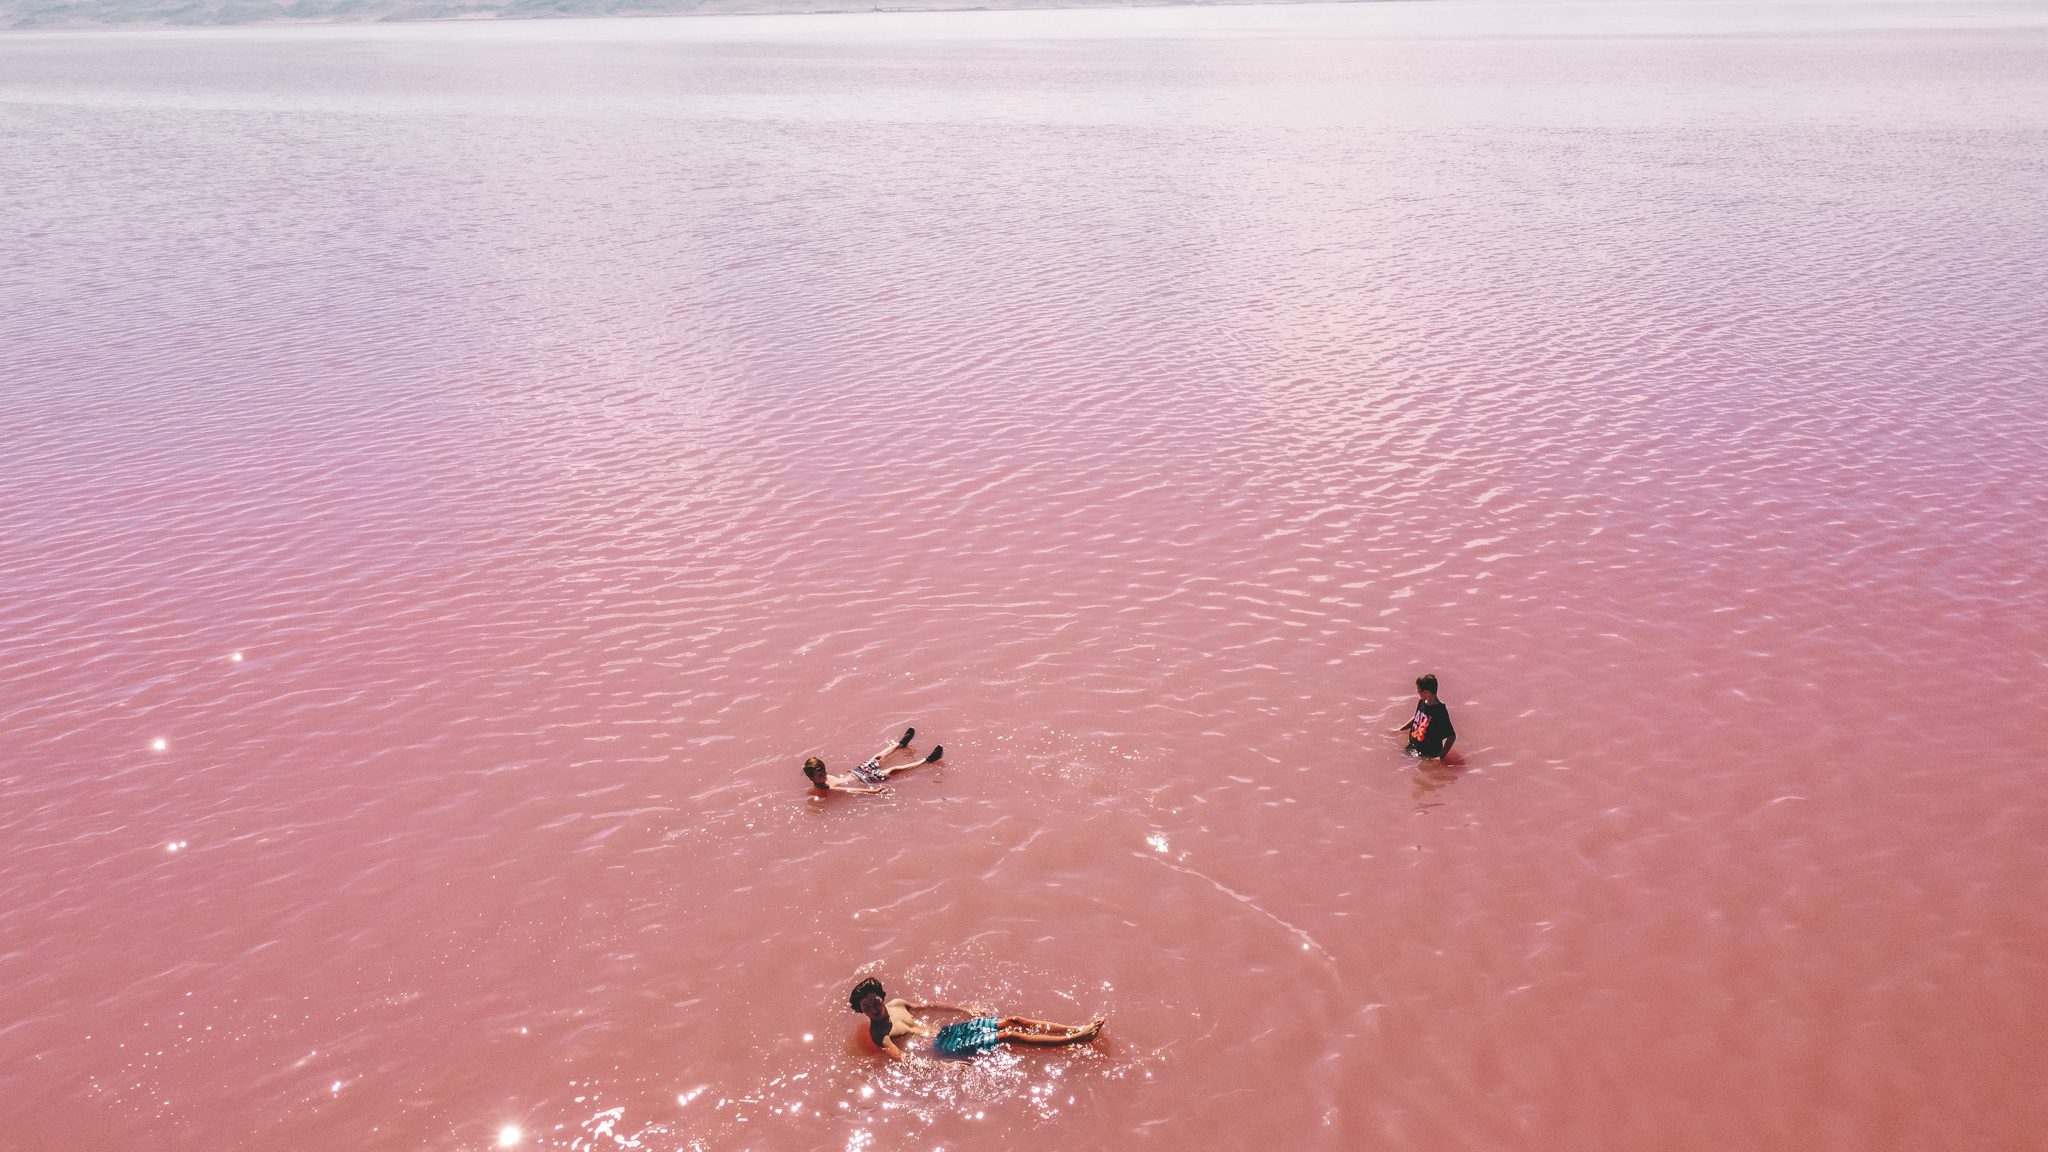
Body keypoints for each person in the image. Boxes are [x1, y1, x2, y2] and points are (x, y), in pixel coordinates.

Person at [848, 977, 1103, 1061]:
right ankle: (1078, 1039)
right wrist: (942, 1067)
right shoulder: (878, 1036)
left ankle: (1075, 1029)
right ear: (861, 1012)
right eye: (866, 1007)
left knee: (1013, 1020)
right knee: (1010, 1036)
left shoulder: (897, 1004)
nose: (872, 1008)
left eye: (874, 1001)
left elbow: (932, 1006)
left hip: (947, 1032)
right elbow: (905, 1060)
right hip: (942, 1046)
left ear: (882, 997)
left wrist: (966, 1010)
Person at [804, 728, 942, 795]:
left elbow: (843, 779)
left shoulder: (825, 777)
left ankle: (900, 744)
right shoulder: (826, 788)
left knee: (876, 758)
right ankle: (927, 761)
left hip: (857, 771)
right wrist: (875, 792)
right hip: (866, 780)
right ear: (812, 778)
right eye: (820, 775)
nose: (824, 775)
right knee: (893, 771)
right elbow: (850, 790)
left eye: (823, 771)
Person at [1389, 674, 1457, 760]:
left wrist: (1441, 757)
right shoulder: (1422, 702)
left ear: (1427, 692)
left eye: (1419, 690)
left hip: (1428, 755)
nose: (1417, 692)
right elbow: (1417, 717)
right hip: (1413, 747)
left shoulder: (1440, 711)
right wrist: (1400, 729)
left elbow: (1452, 736)